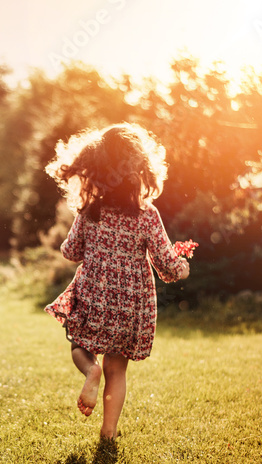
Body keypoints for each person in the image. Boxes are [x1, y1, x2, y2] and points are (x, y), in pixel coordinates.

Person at [44, 123, 190, 441]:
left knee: (80, 346)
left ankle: (89, 371)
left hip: (94, 297)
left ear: (97, 169)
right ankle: (108, 433)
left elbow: (70, 251)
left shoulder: (90, 211)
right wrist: (181, 268)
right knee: (117, 369)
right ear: (141, 170)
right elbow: (165, 261)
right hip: (130, 303)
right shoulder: (147, 214)